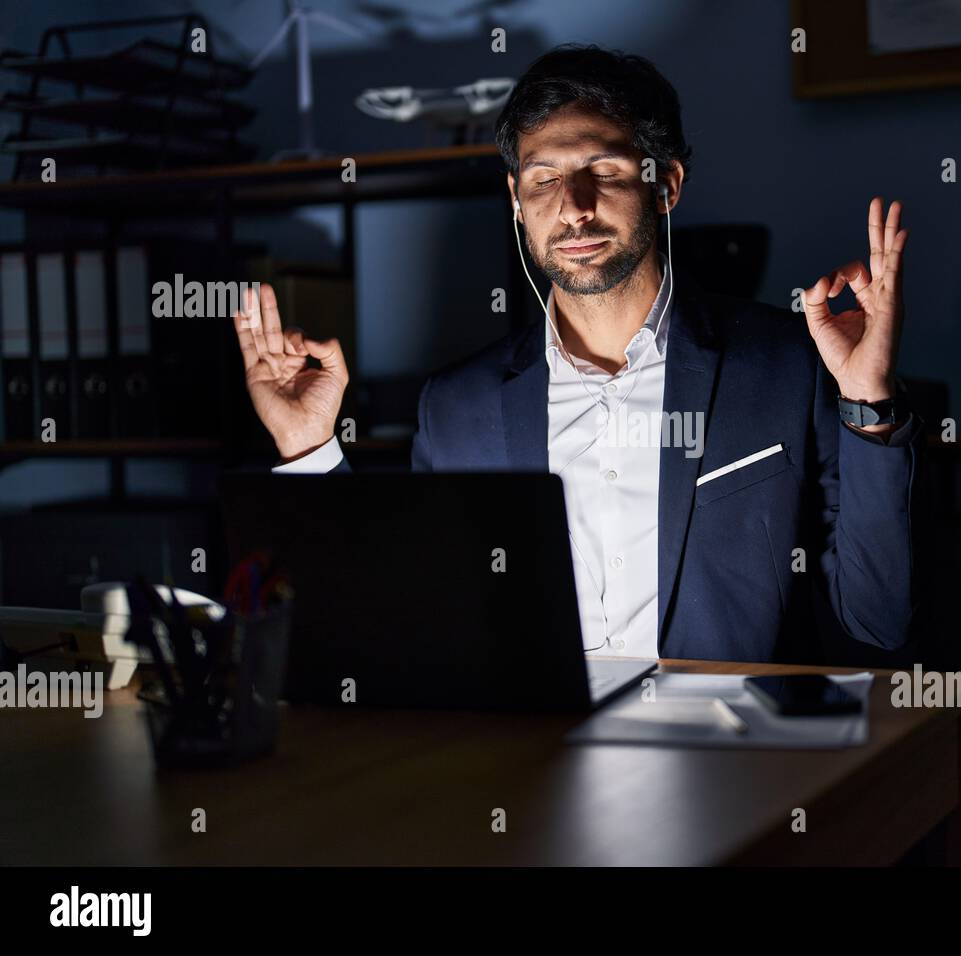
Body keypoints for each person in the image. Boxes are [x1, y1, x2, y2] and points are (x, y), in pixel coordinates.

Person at [230, 44, 923, 665]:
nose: (574, 208)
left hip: (730, 775)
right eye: (543, 179)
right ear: (516, 197)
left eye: (605, 169)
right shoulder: (457, 409)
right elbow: (398, 627)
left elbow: (875, 623)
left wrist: (870, 405)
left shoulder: (786, 364)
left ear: (667, 184)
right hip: (529, 780)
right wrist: (310, 447)